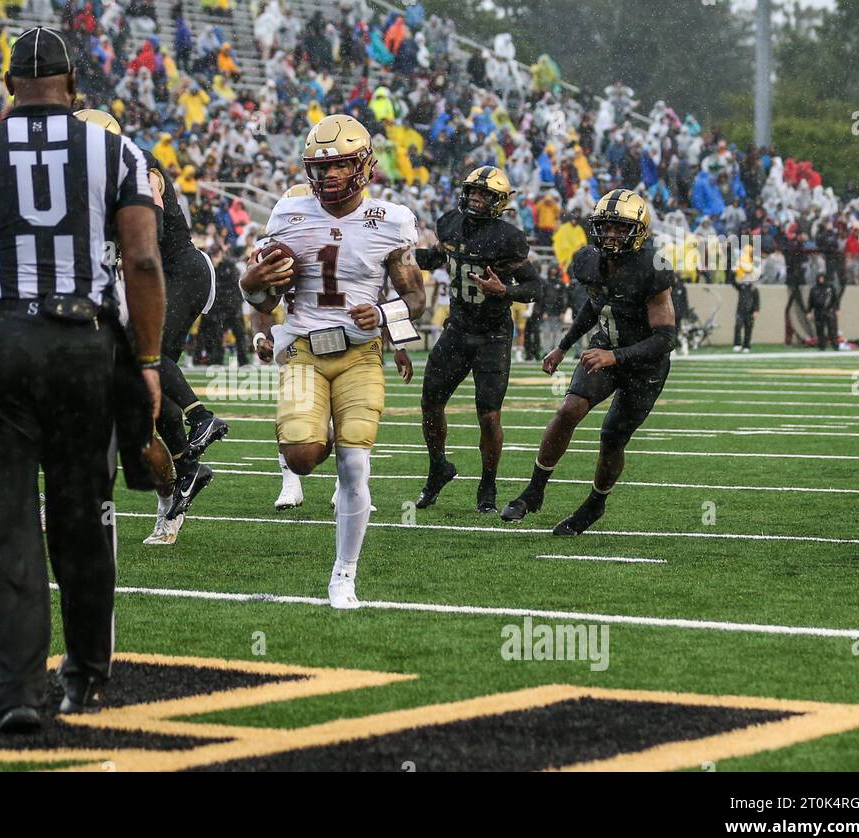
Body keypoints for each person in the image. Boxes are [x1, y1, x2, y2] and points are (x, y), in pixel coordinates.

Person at [0, 27, 165, 730]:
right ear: (72, 82)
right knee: (83, 518)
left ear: (7, 85)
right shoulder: (113, 148)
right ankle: (85, 672)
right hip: (84, 339)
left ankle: (17, 693)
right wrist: (146, 363)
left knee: (3, 520)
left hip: (4, 340)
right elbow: (144, 263)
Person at [240, 114, 426, 610]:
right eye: (320, 168)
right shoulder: (288, 214)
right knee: (303, 455)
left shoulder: (391, 219)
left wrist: (385, 313)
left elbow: (416, 298)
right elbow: (262, 302)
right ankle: (312, 433)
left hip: (360, 352)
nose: (327, 177)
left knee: (354, 462)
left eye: (340, 166)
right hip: (302, 349)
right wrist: (252, 284)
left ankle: (344, 574)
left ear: (364, 164)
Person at [75, 107, 226, 545]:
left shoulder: (141, 169)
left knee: (143, 347)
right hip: (153, 276)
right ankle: (188, 467)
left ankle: (203, 418)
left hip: (182, 273)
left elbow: (150, 229)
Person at [501, 189, 677, 536]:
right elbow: (594, 305)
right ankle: (534, 490)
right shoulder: (586, 260)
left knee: (612, 437)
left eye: (620, 228)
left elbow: (665, 339)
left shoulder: (653, 268)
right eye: (606, 226)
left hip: (645, 364)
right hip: (604, 347)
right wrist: (563, 347)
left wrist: (616, 356)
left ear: (639, 231)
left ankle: (594, 505)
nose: (610, 234)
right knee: (569, 410)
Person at [413, 166, 541, 513]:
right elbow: (438, 257)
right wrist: (402, 254)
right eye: (472, 191)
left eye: (484, 194)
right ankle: (438, 467)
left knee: (488, 416)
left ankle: (488, 484)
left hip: (493, 337)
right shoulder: (449, 224)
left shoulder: (508, 238)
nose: (475, 198)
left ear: (499, 203)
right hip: (456, 330)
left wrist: (506, 290)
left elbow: (534, 287)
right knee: (430, 404)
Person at [732, 280, 760, 353]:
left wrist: (756, 311)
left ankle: (746, 346)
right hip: (740, 311)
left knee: (748, 329)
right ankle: (737, 344)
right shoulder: (741, 287)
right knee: (738, 326)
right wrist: (733, 272)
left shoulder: (754, 289)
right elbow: (734, 283)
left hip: (750, 312)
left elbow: (757, 301)